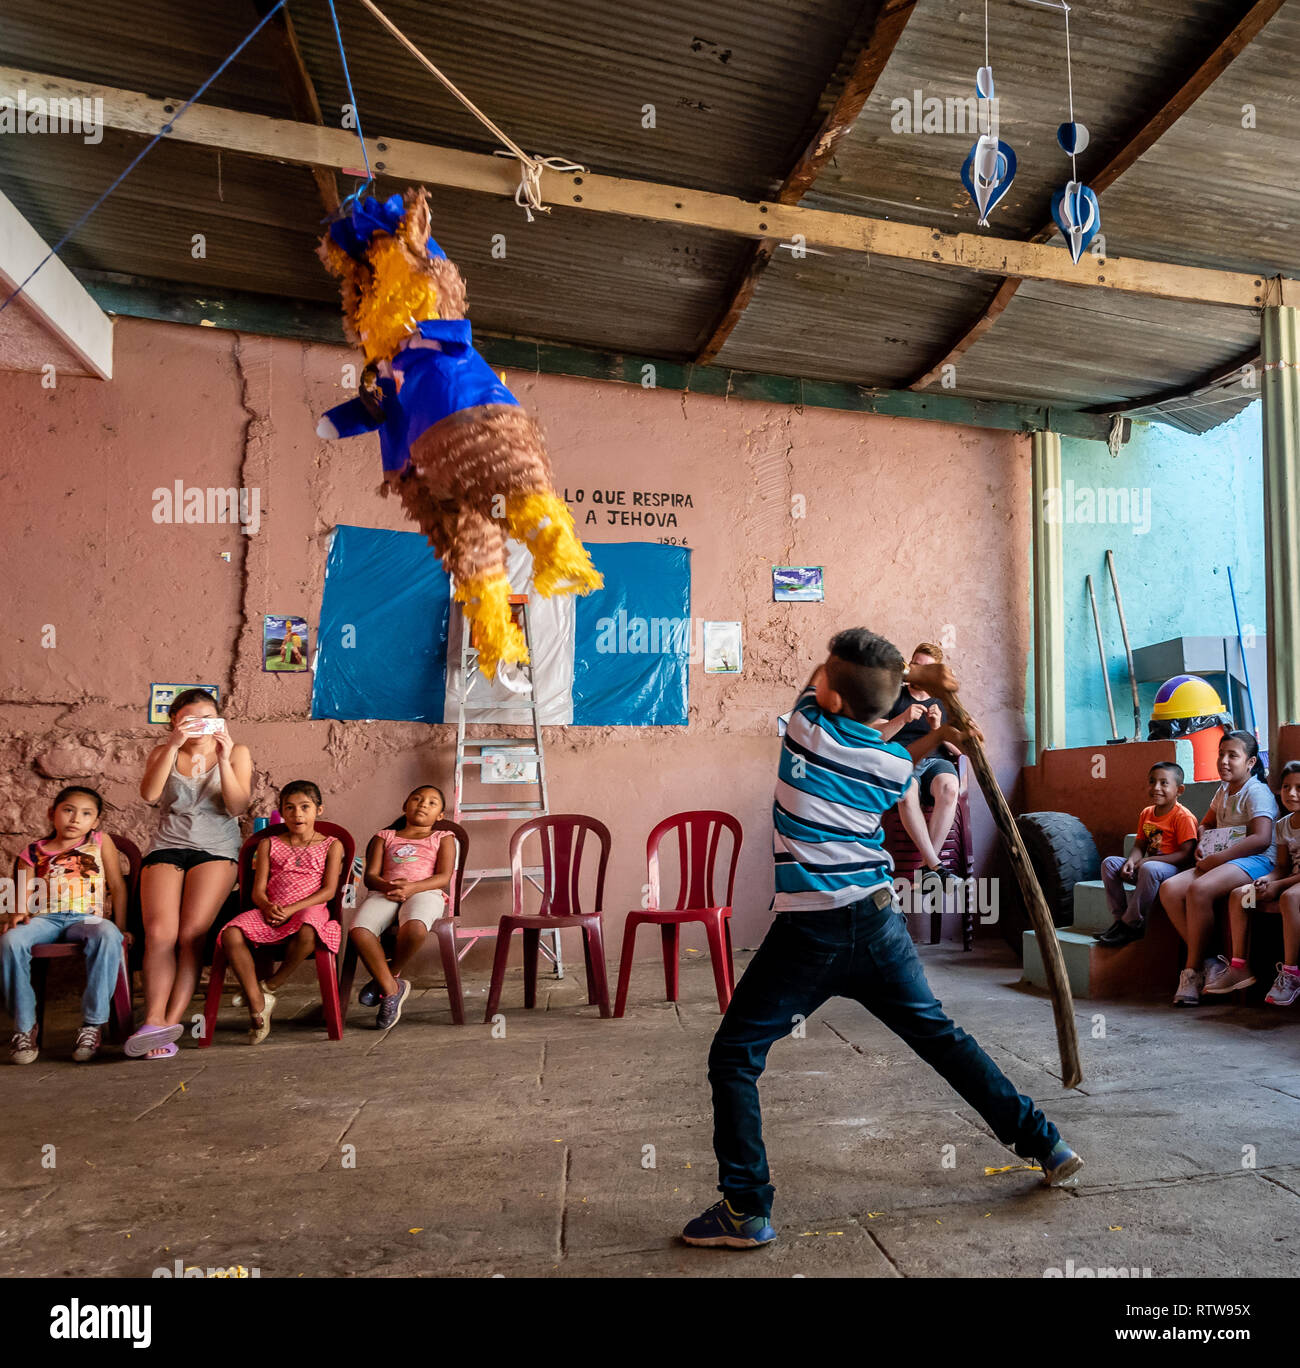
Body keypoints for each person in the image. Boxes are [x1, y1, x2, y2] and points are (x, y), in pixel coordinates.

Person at [681, 629, 1082, 1249]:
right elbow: (881, 734)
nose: (816, 681)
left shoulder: (804, 729)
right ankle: (1045, 1143)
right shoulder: (893, 767)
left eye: (823, 678)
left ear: (832, 699)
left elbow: (845, 701)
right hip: (876, 925)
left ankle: (745, 1209)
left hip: (808, 934)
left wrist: (919, 701)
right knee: (941, 1038)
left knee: (734, 1056)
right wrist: (940, 724)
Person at [127, 689, 252, 1059]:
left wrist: (225, 759)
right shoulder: (164, 752)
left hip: (216, 849)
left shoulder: (237, 751)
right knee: (159, 934)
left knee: (190, 934)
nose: (201, 727)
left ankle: (170, 1021)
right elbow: (149, 794)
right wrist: (173, 746)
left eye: (208, 719)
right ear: (175, 721)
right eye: (191, 719)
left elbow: (238, 805)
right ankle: (153, 1020)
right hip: (167, 846)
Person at [1, 787, 129, 1064]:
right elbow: (22, 894)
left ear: (95, 822)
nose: (75, 819)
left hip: (87, 918)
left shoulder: (99, 841)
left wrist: (121, 925)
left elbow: (117, 886)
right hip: (45, 919)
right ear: (52, 813)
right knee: (10, 941)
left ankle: (92, 1026)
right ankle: (24, 1028)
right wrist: (17, 913)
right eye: (68, 810)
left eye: (85, 814)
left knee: (108, 935)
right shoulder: (33, 851)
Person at [218, 781, 343, 1044]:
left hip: (308, 909)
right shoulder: (269, 844)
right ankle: (257, 1003)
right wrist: (266, 906)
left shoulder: (332, 845)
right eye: (290, 808)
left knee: (309, 930)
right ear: (282, 813)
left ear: (319, 810)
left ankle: (270, 985)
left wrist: (292, 909)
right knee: (231, 933)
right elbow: (257, 890)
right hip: (271, 910)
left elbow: (329, 890)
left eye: (305, 807)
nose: (298, 814)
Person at [1159, 730, 1277, 1008]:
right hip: (1221, 858)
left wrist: (1220, 858)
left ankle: (1191, 973)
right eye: (1221, 754)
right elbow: (1207, 822)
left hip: (1257, 860)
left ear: (1249, 763)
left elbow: (1261, 838)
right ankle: (1210, 960)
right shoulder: (1223, 790)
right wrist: (1202, 839)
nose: (1224, 761)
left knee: (1199, 889)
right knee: (1170, 889)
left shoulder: (1256, 791)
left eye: (1232, 756)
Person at [346, 786, 454, 1030]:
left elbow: (444, 876)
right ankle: (393, 989)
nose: (423, 804)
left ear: (440, 815)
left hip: (425, 892)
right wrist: (389, 886)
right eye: (416, 798)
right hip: (386, 892)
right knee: (359, 931)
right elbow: (371, 876)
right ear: (404, 805)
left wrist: (413, 888)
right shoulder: (384, 837)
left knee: (415, 928)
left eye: (432, 802)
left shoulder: (443, 837)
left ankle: (385, 979)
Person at [1204, 760, 1300, 1003]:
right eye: (1287, 787)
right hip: (1288, 879)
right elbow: (1281, 867)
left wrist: (1278, 885)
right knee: (1240, 895)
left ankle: (1291, 973)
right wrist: (1266, 880)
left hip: (1292, 887)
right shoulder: (1283, 825)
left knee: (1289, 898)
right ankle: (1239, 966)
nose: (1291, 793)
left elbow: (1286, 880)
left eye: (1299, 788)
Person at [1094, 763, 1197, 947]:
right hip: (1147, 869)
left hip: (1173, 872)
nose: (1156, 788)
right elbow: (1140, 845)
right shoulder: (1147, 813)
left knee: (1150, 868)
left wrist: (1149, 860)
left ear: (1179, 790)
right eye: (1152, 782)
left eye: (1164, 783)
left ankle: (1133, 923)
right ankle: (1120, 921)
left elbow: (1186, 855)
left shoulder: (1183, 817)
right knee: (1109, 863)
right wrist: (1132, 861)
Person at [878, 642, 962, 855]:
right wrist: (902, 718)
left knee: (950, 787)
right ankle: (934, 864)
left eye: (924, 670)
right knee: (906, 792)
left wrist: (938, 729)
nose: (916, 673)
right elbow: (877, 736)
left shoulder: (945, 700)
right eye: (913, 665)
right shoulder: (893, 695)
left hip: (936, 761)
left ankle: (928, 866)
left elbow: (960, 750)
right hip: (902, 759)